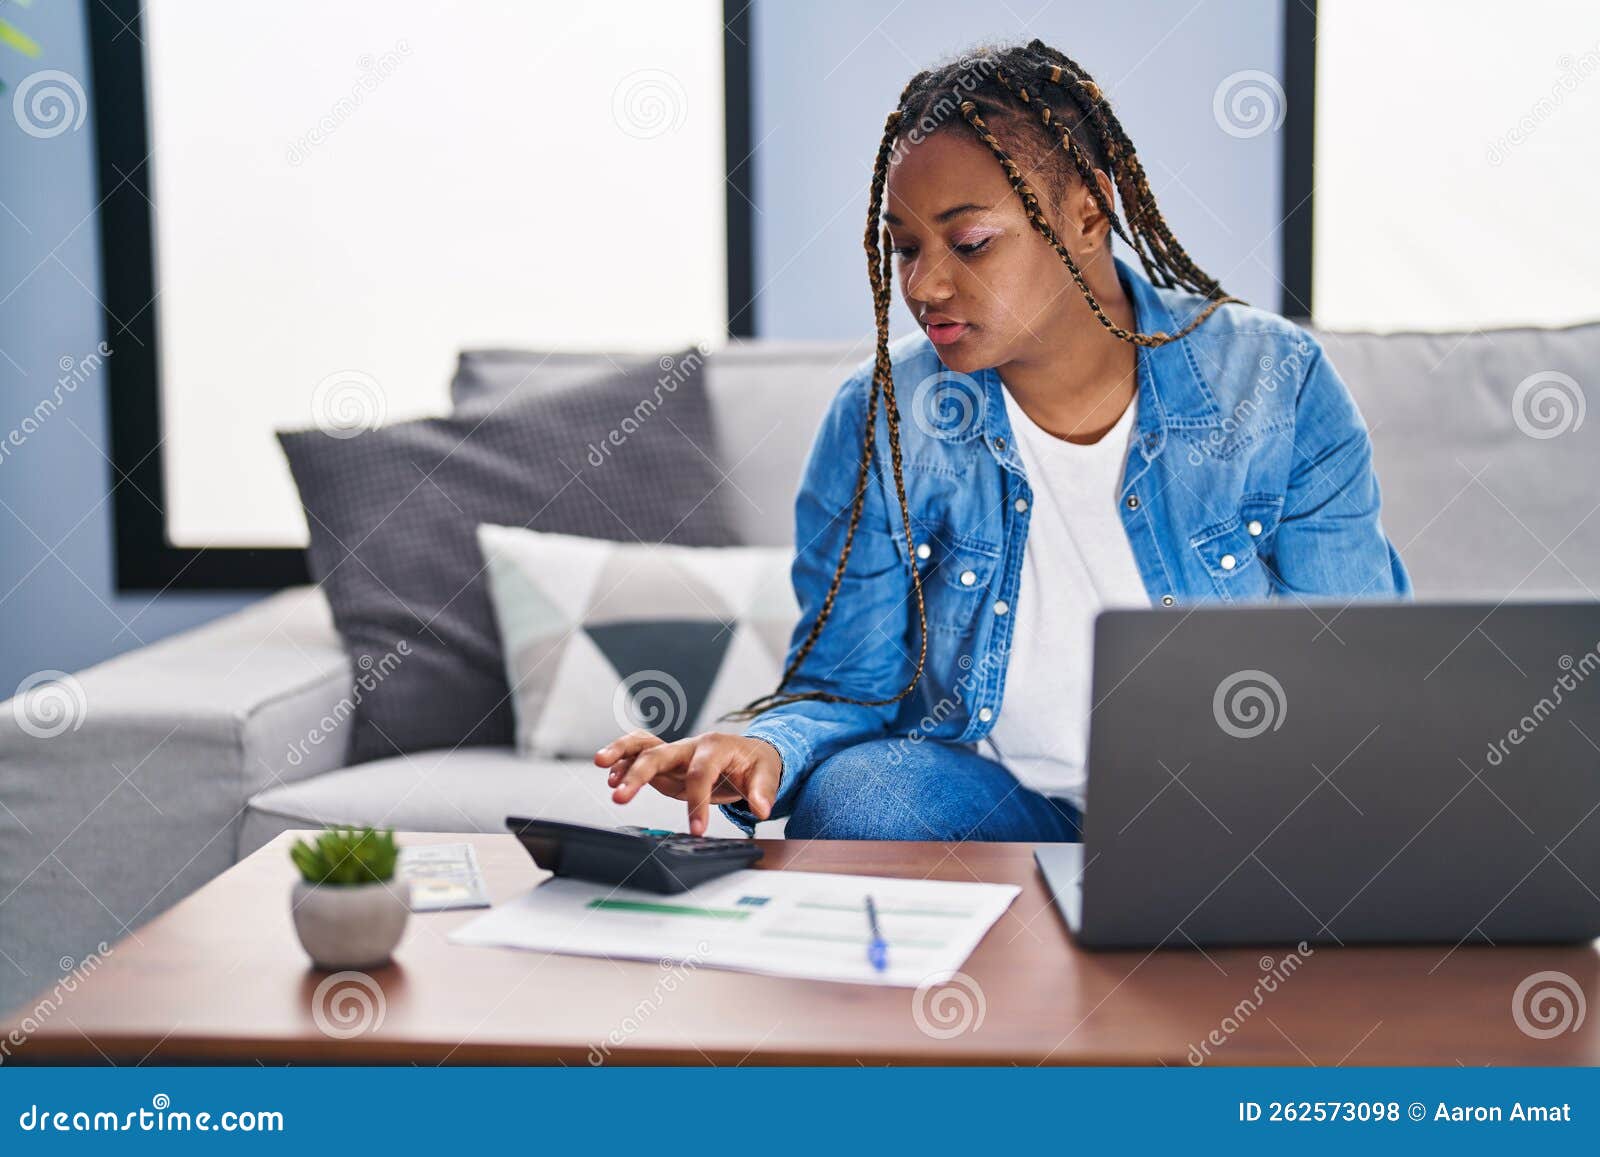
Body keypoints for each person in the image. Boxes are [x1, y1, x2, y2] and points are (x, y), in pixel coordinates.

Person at [595, 38, 1410, 842]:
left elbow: (1354, 666)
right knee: (863, 799)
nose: (924, 285)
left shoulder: (1277, 383)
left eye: (970, 242)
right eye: (904, 247)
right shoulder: (883, 414)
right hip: (1002, 816)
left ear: (1088, 212)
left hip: (1227, 815)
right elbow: (849, 682)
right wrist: (759, 743)